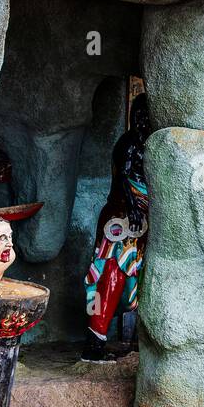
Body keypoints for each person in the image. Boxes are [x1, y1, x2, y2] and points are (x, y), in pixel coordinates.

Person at [83, 93, 151, 362]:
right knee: (108, 274)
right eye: (139, 115)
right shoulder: (129, 143)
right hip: (122, 218)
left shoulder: (151, 144)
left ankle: (136, 338)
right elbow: (123, 176)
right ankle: (95, 340)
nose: (142, 120)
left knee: (142, 276)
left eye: (147, 115)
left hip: (143, 222)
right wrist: (132, 206)